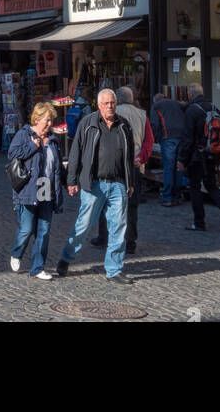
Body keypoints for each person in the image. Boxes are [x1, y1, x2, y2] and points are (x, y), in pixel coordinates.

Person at [56, 88, 136, 285]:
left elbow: (129, 157)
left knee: (118, 227)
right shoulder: (88, 124)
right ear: (99, 105)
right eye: (106, 103)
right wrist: (72, 180)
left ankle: (114, 270)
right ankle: (66, 258)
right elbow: (75, 153)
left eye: (113, 103)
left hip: (117, 183)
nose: (110, 107)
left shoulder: (124, 125)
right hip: (94, 184)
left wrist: (130, 181)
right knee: (84, 225)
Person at [90, 86, 153, 254]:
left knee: (105, 202)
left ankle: (104, 237)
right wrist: (141, 158)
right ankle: (130, 240)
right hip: (135, 166)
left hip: (114, 167)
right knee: (132, 206)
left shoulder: (110, 113)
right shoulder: (142, 115)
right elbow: (149, 141)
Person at [7, 102, 64, 279]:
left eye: (51, 121)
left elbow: (56, 166)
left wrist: (68, 180)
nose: (49, 124)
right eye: (47, 120)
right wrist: (33, 146)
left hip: (46, 186)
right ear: (37, 119)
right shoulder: (24, 134)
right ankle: (16, 253)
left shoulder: (53, 140)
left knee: (44, 230)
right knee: (26, 228)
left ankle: (38, 268)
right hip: (28, 187)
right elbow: (12, 154)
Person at [179, 82, 220, 233]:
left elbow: (188, 138)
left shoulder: (192, 111)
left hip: (197, 155)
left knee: (195, 187)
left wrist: (182, 159)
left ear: (190, 95)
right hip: (213, 153)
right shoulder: (213, 108)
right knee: (211, 184)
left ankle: (199, 222)